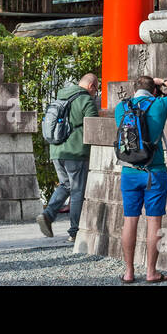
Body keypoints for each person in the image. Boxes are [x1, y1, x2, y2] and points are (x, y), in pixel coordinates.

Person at [114, 76, 167, 284]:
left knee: (129, 220)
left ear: (135, 89)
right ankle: (151, 272)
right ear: (154, 90)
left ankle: (129, 272)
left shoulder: (121, 107)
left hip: (129, 172)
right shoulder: (159, 104)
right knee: (154, 221)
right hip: (154, 172)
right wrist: (166, 82)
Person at [37, 73, 99, 242]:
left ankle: (48, 215)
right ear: (91, 86)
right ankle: (75, 231)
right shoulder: (85, 100)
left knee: (65, 184)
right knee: (78, 190)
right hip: (76, 152)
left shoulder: (61, 96)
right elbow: (94, 126)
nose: (96, 93)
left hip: (56, 151)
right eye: (96, 89)